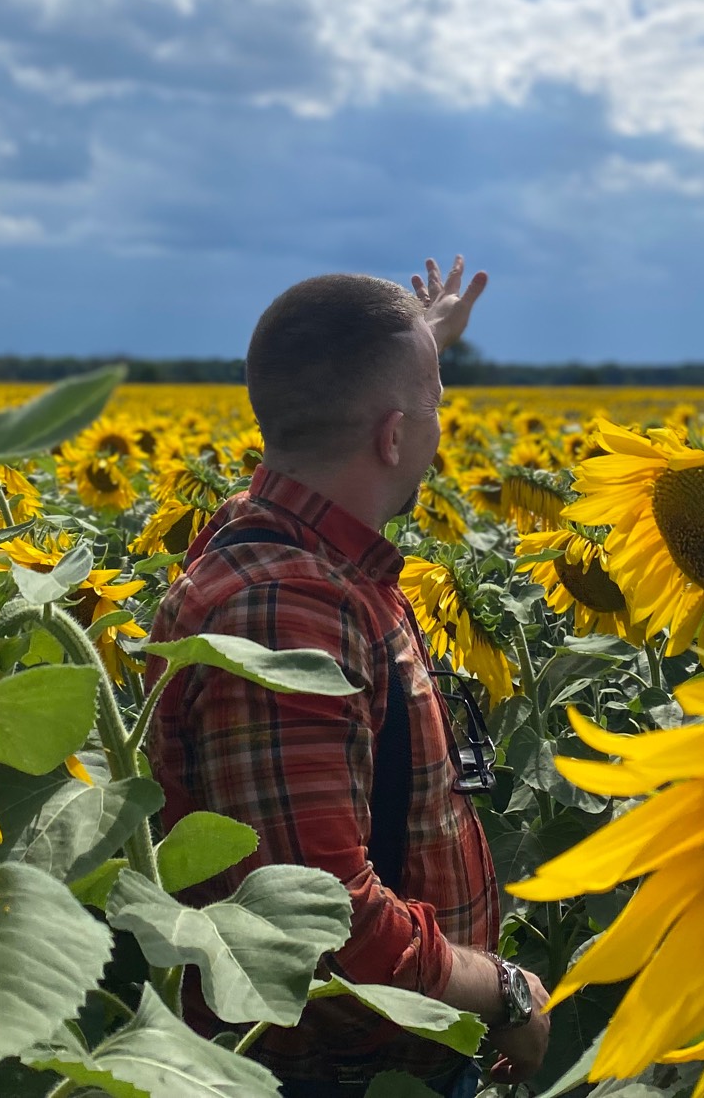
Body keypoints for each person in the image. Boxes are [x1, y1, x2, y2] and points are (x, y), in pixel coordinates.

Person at [145, 257, 551, 1098]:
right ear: (395, 436)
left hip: (398, 1045)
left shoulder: (282, 538)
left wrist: (418, 342)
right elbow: (327, 930)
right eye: (436, 401)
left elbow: (347, 374)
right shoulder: (288, 613)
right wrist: (508, 995)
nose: (443, 424)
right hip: (340, 1073)